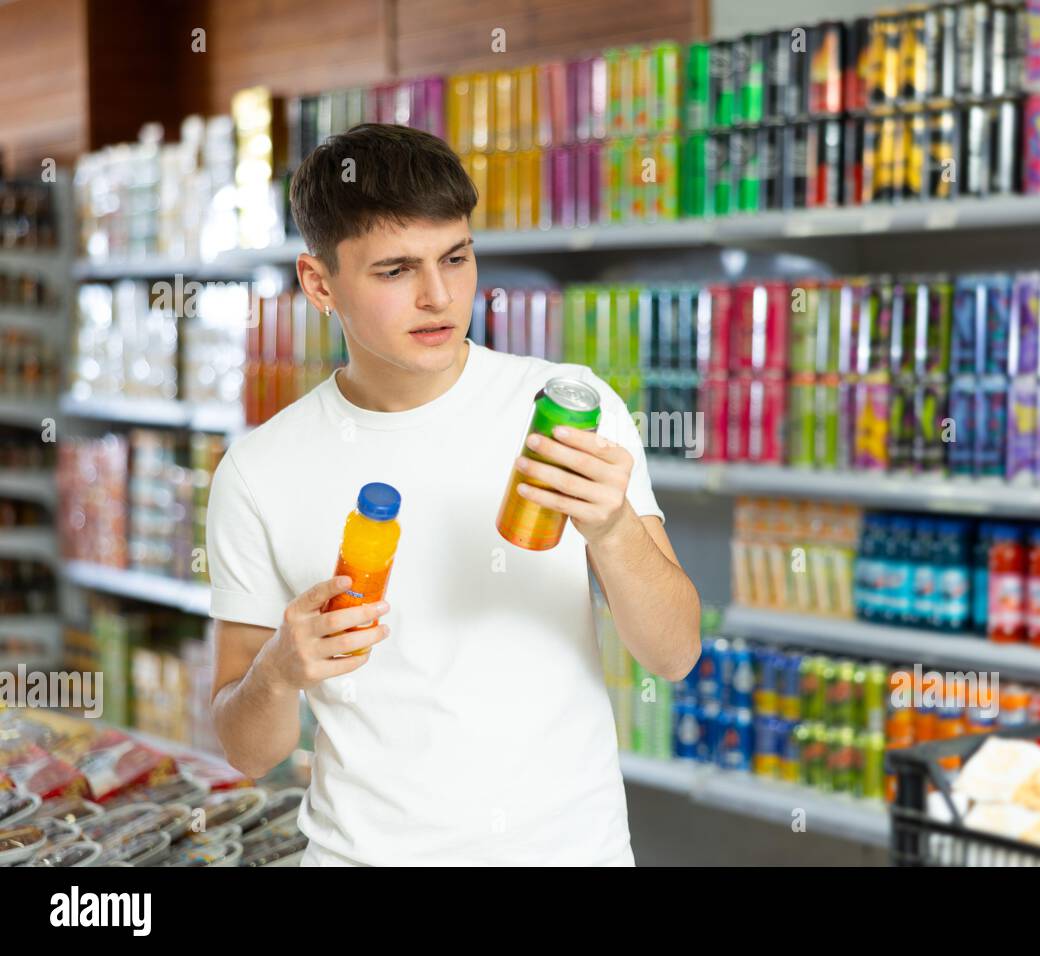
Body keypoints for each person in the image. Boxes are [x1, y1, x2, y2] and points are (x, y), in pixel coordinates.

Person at [207, 123, 701, 866]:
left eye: (456, 258)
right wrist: (279, 672)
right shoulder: (258, 471)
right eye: (395, 270)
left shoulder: (564, 408)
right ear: (318, 284)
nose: (439, 296)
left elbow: (674, 654)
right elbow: (247, 752)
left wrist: (614, 529)